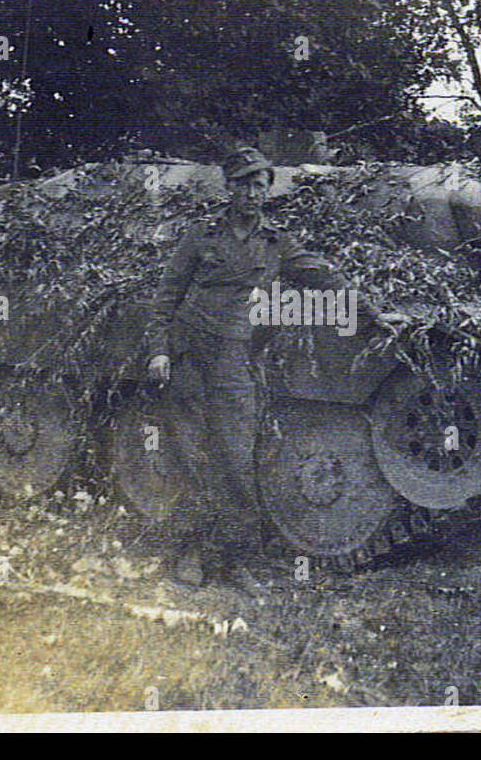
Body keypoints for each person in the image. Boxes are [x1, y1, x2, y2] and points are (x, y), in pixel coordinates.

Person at [146, 146, 405, 588]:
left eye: (259, 185)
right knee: (188, 455)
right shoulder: (201, 235)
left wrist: (374, 313)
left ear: (268, 190)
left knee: (238, 457)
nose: (251, 193)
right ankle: (186, 554)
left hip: (233, 357)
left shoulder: (277, 242)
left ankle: (237, 562)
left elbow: (325, 277)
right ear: (229, 188)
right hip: (190, 355)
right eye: (243, 183)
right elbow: (166, 296)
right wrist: (159, 351)